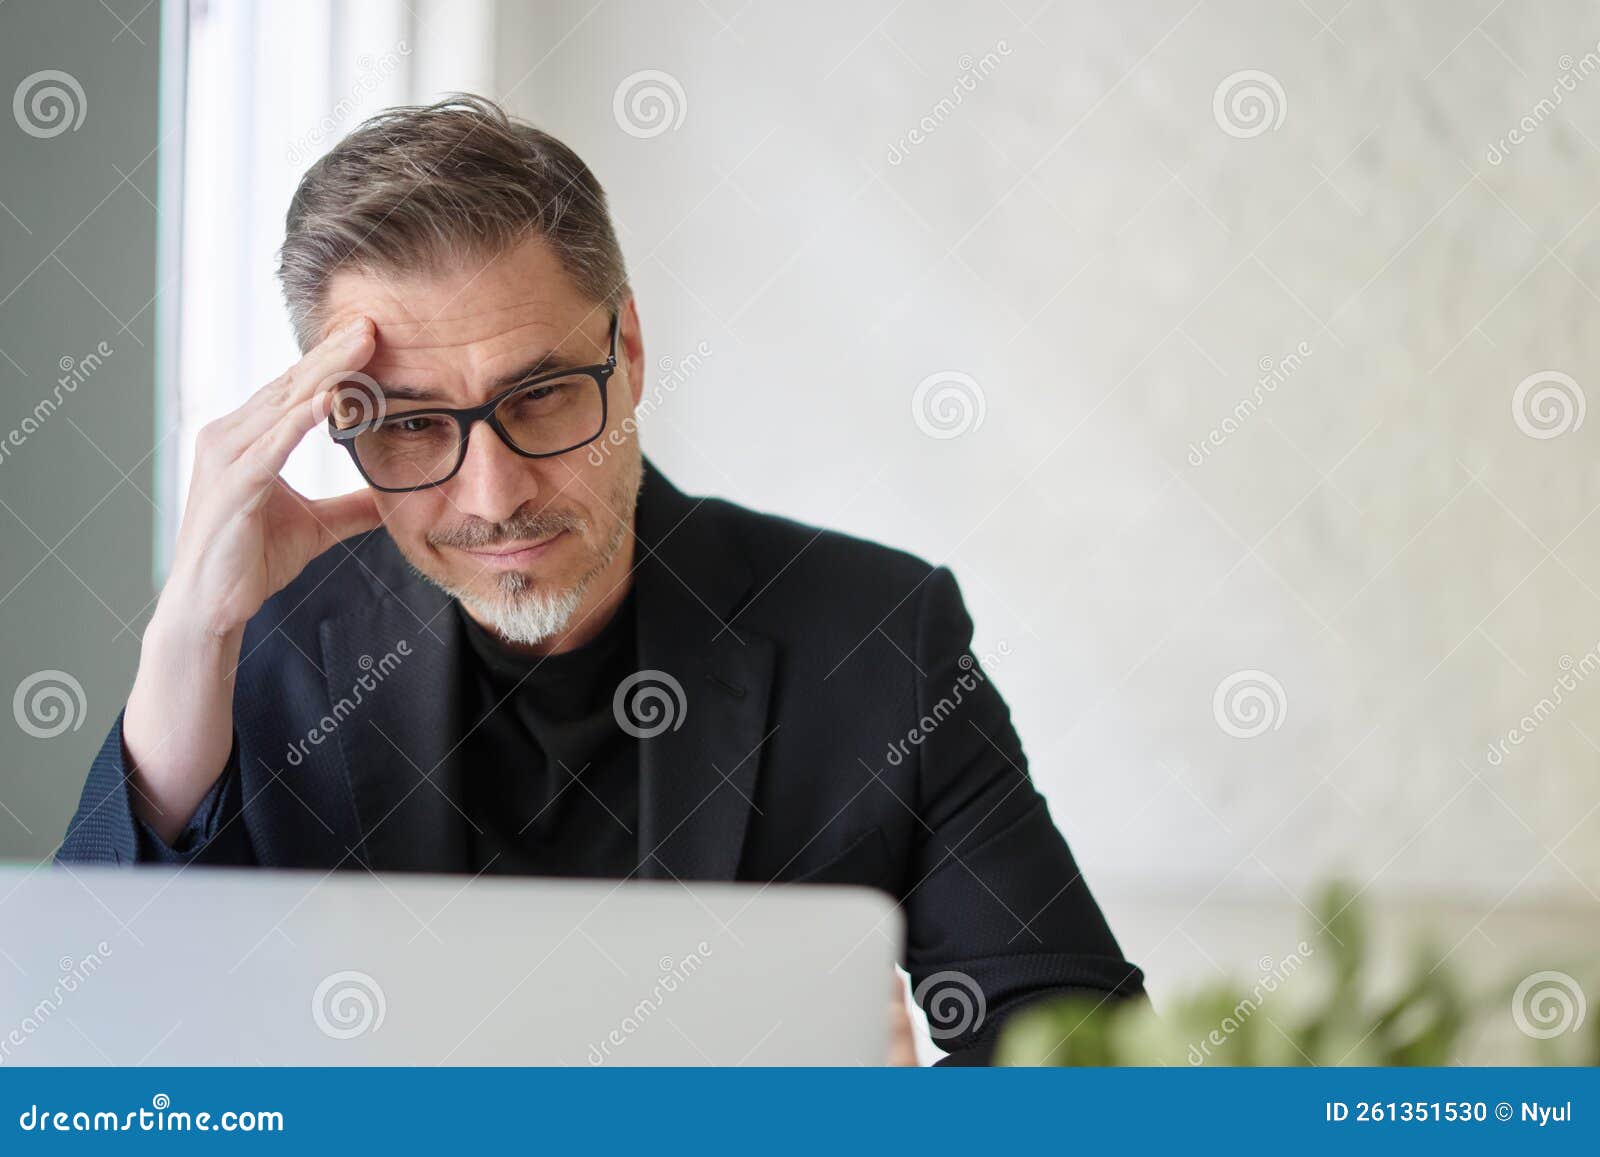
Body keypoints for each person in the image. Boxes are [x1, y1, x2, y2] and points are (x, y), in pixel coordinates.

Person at [57, 95, 1143, 1063]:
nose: (493, 495)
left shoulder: (878, 636)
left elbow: (1084, 1045)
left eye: (538, 397)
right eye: (412, 424)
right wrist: (185, 640)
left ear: (629, 347)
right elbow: (76, 1056)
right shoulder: (260, 643)